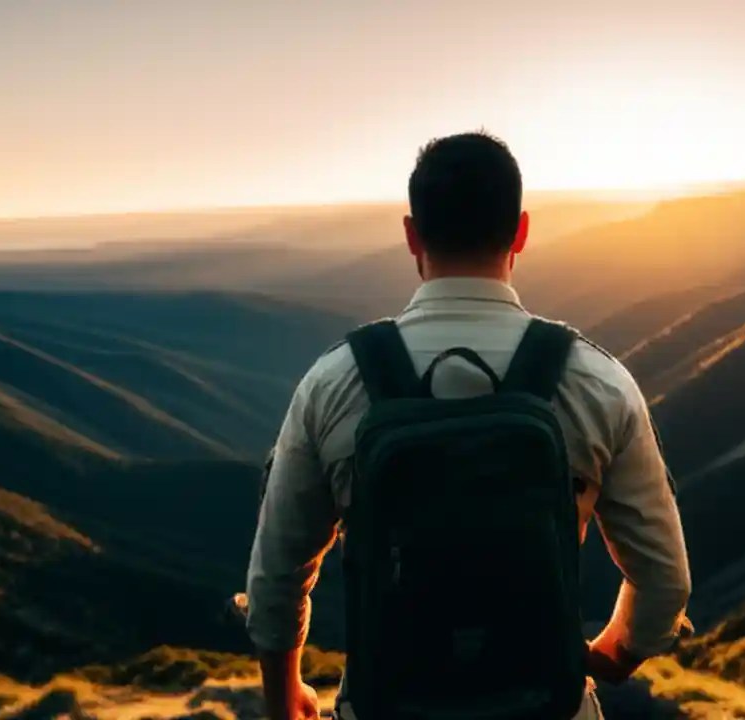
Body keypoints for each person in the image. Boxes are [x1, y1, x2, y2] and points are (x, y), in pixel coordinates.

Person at [245, 131, 692, 720]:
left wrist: (285, 699)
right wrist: (612, 654)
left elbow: (277, 577)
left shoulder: (335, 383)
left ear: (411, 236)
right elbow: (664, 583)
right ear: (522, 232)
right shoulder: (597, 382)